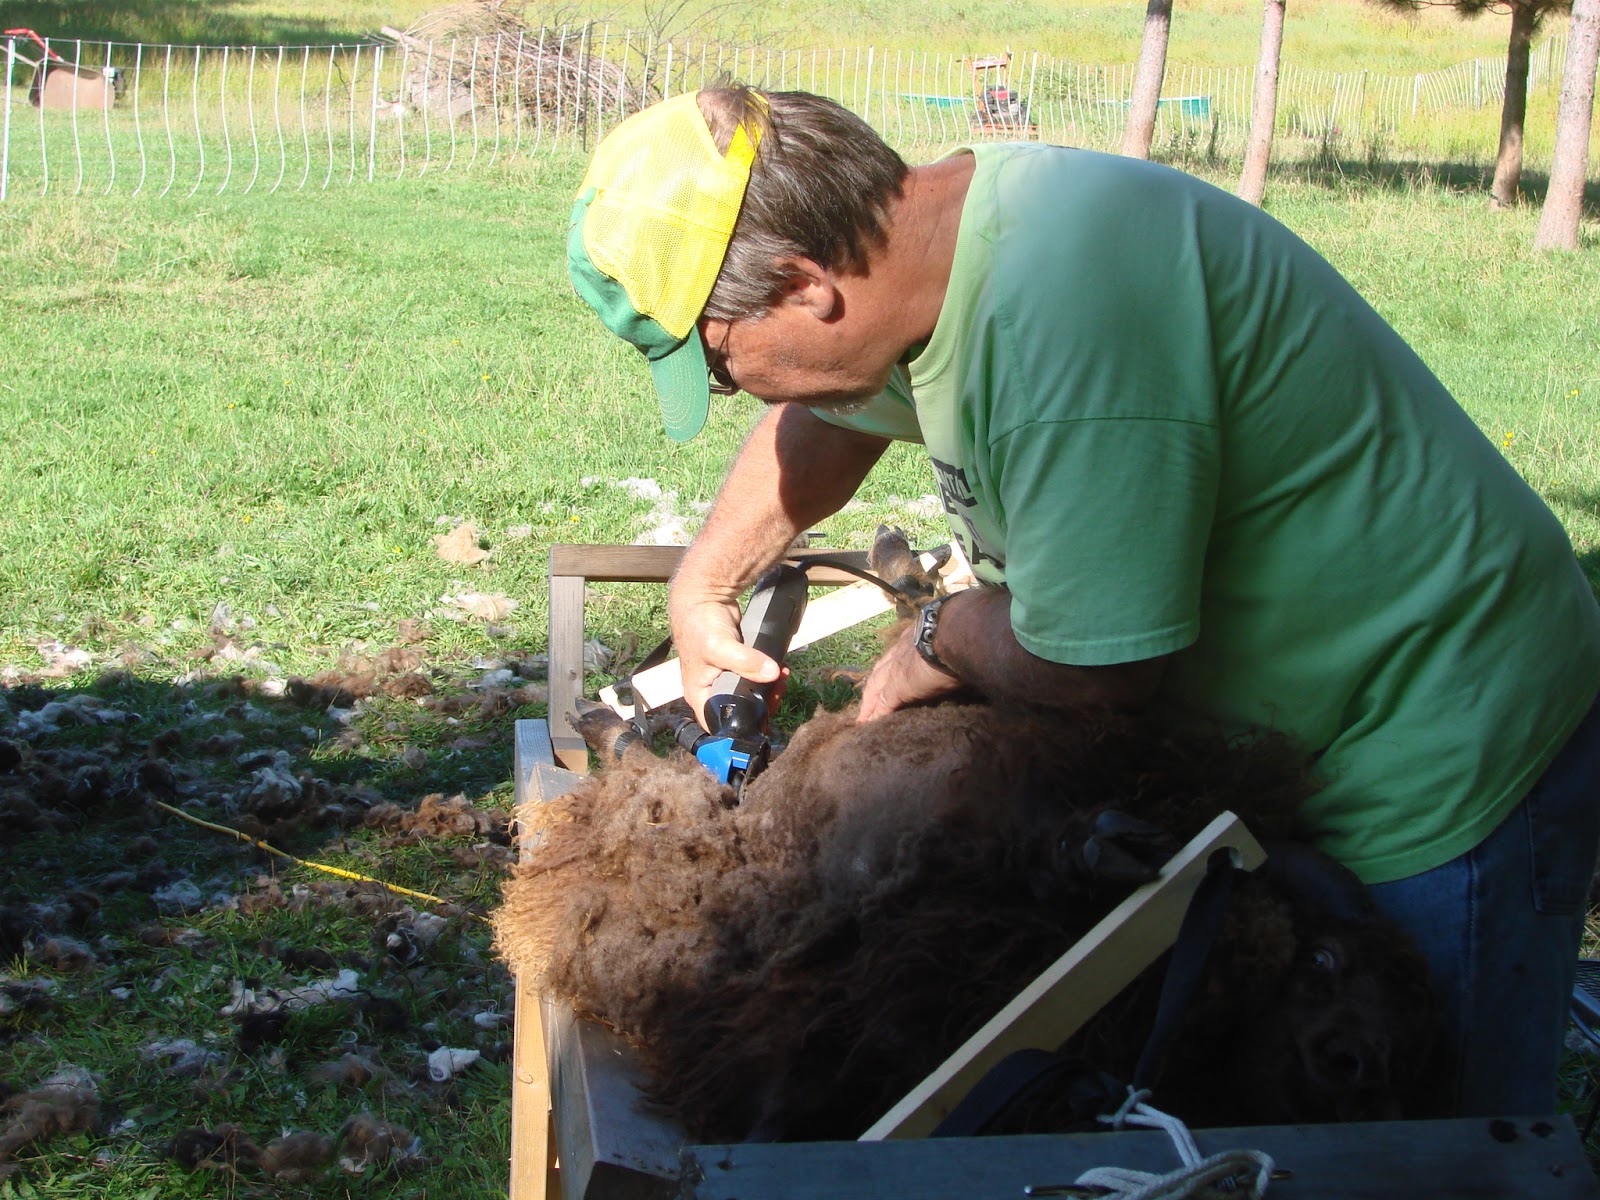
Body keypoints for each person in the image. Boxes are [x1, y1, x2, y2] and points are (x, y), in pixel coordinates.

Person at [565, 85, 1600, 1118]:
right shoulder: (932, 253)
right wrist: (706, 586)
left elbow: (1095, 669)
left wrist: (938, 634)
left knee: (1429, 1131)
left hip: (1440, 723)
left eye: (720, 362)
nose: (738, 391)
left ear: (803, 284)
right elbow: (827, 417)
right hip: (1305, 714)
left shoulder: (1062, 327)